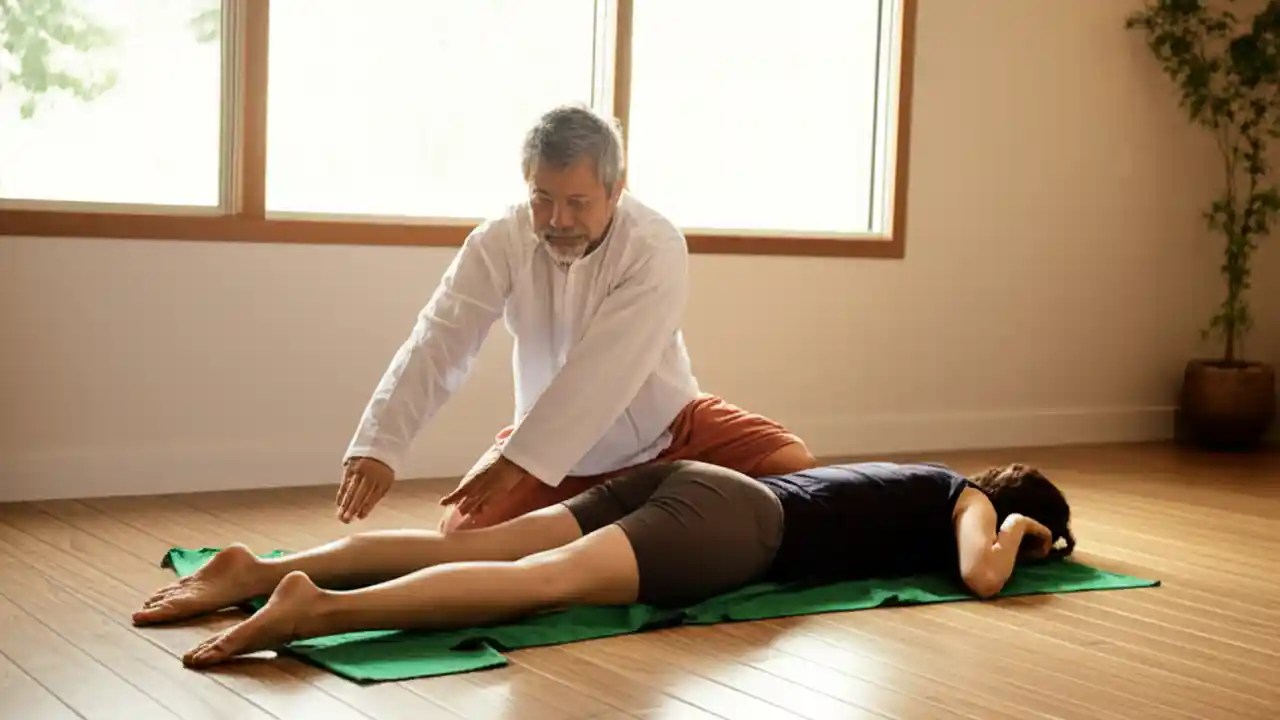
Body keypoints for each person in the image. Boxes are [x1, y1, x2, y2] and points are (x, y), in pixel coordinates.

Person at [335, 103, 816, 533]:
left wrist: (513, 463)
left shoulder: (655, 245)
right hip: (549, 450)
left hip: (669, 428)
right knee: (462, 533)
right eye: (542, 198)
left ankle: (644, 513)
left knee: (799, 473)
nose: (558, 219)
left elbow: (604, 371)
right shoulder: (499, 241)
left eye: (577, 203)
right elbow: (439, 338)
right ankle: (628, 517)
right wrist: (380, 444)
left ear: (616, 191)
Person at [133, 459, 1075, 669]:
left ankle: (258, 569)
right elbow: (984, 577)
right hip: (739, 528)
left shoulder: (911, 473)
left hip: (699, 483)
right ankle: (313, 610)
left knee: (498, 547)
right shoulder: (969, 500)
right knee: (540, 584)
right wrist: (1022, 535)